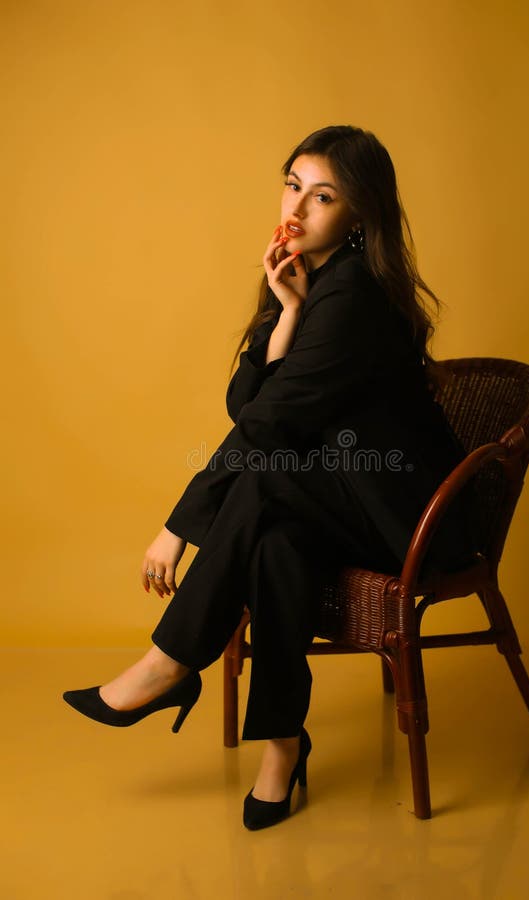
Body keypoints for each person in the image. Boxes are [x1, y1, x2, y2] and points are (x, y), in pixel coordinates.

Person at [63, 125, 475, 831]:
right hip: (339, 500)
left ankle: (168, 663)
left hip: (406, 516)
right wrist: (286, 313)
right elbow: (250, 406)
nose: (299, 208)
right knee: (277, 538)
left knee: (267, 480)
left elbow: (269, 427)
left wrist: (176, 528)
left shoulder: (355, 298)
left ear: (359, 214)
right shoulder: (314, 284)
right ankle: (283, 747)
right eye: (293, 186)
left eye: (324, 196)